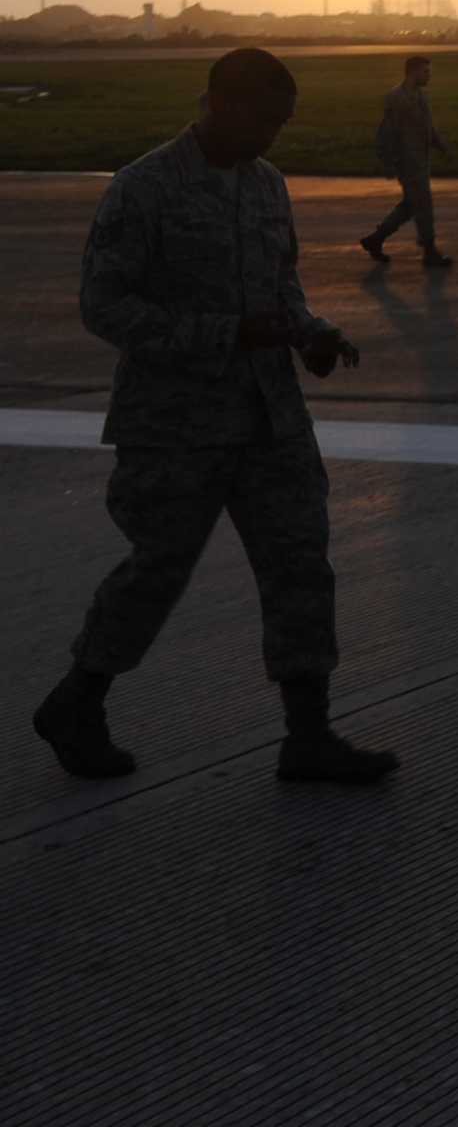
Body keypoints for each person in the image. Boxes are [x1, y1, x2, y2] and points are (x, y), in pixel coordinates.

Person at [30, 48, 397, 785]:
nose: (273, 136)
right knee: (157, 572)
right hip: (176, 424)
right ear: (219, 102)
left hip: (270, 419)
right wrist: (224, 332)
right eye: (263, 119)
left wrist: (311, 334)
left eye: (283, 124)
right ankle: (77, 700)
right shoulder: (145, 189)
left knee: (301, 567)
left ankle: (308, 733)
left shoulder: (267, 186)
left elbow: (281, 287)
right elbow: (104, 306)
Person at [357, 54, 451, 267]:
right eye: (425, 71)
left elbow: (429, 128)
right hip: (407, 161)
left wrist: (443, 149)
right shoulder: (397, 97)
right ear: (412, 72)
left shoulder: (421, 97)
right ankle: (429, 249)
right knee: (423, 203)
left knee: (410, 205)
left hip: (420, 160)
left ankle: (376, 239)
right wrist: (388, 162)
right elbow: (387, 131)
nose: (429, 76)